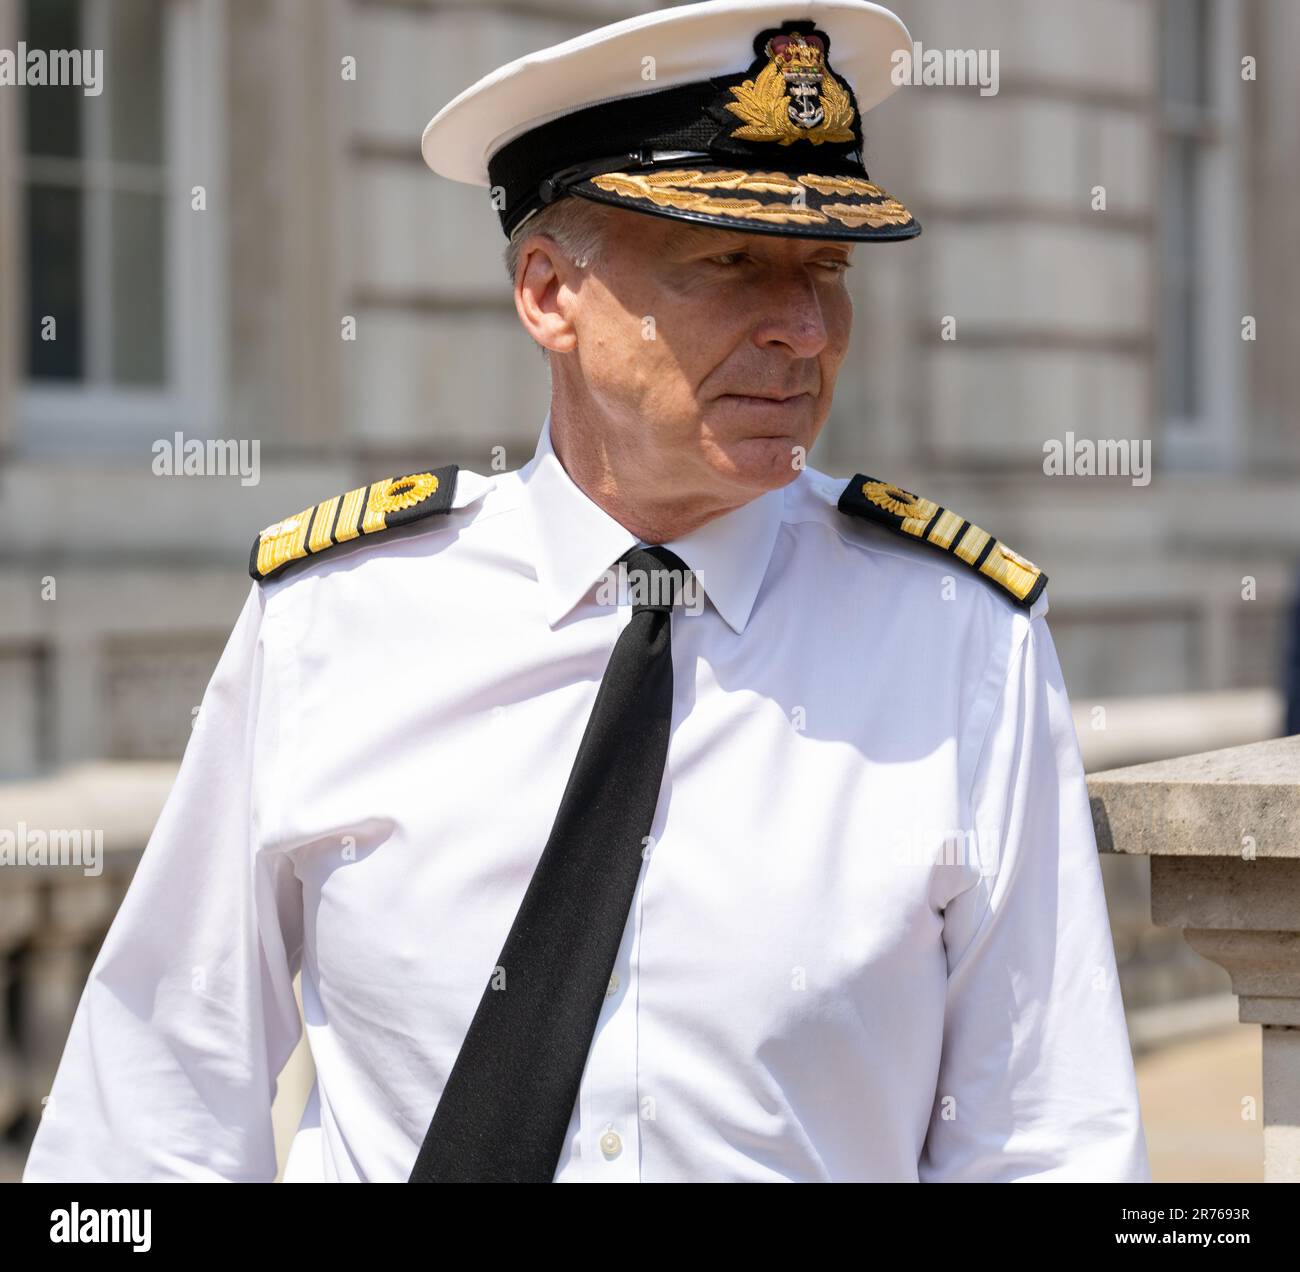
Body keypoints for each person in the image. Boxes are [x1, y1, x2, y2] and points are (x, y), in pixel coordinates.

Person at [23, 0, 1151, 1183]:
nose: (806, 330)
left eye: (825, 269)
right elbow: (154, 1107)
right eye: (728, 262)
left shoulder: (958, 639)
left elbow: (1044, 1139)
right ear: (549, 293)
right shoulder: (335, 620)